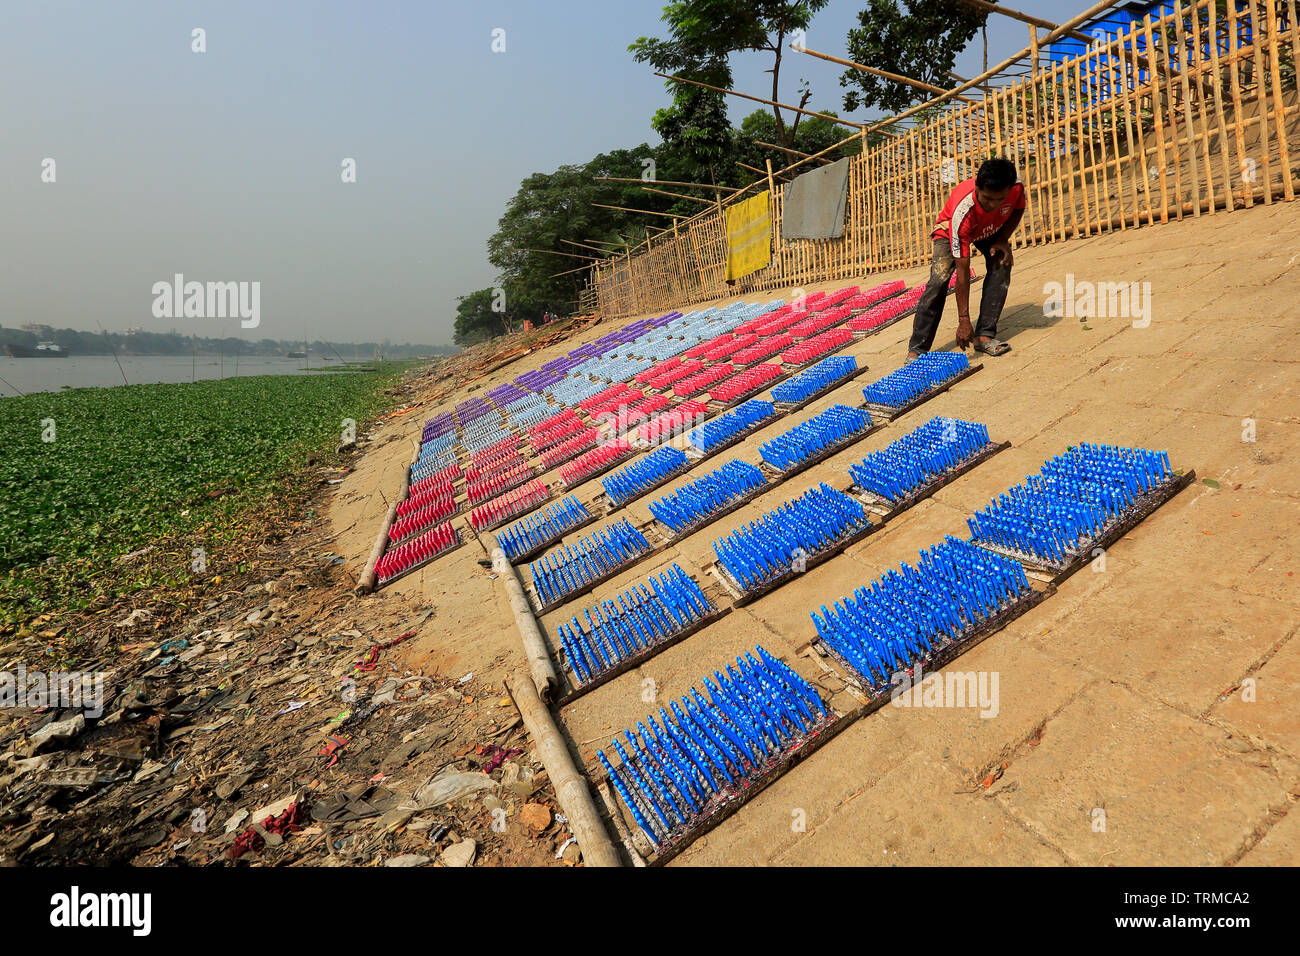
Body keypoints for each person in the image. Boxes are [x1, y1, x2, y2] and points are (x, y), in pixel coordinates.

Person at [907, 157, 1025, 360]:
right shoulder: (964, 209)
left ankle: (985, 336)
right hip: (950, 231)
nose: (993, 205)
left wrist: (1003, 239)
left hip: (989, 230)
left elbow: (1018, 209)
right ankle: (917, 349)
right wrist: (964, 319)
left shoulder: (1015, 187)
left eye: (999, 199)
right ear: (977, 187)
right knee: (939, 280)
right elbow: (962, 271)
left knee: (1001, 263)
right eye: (987, 198)